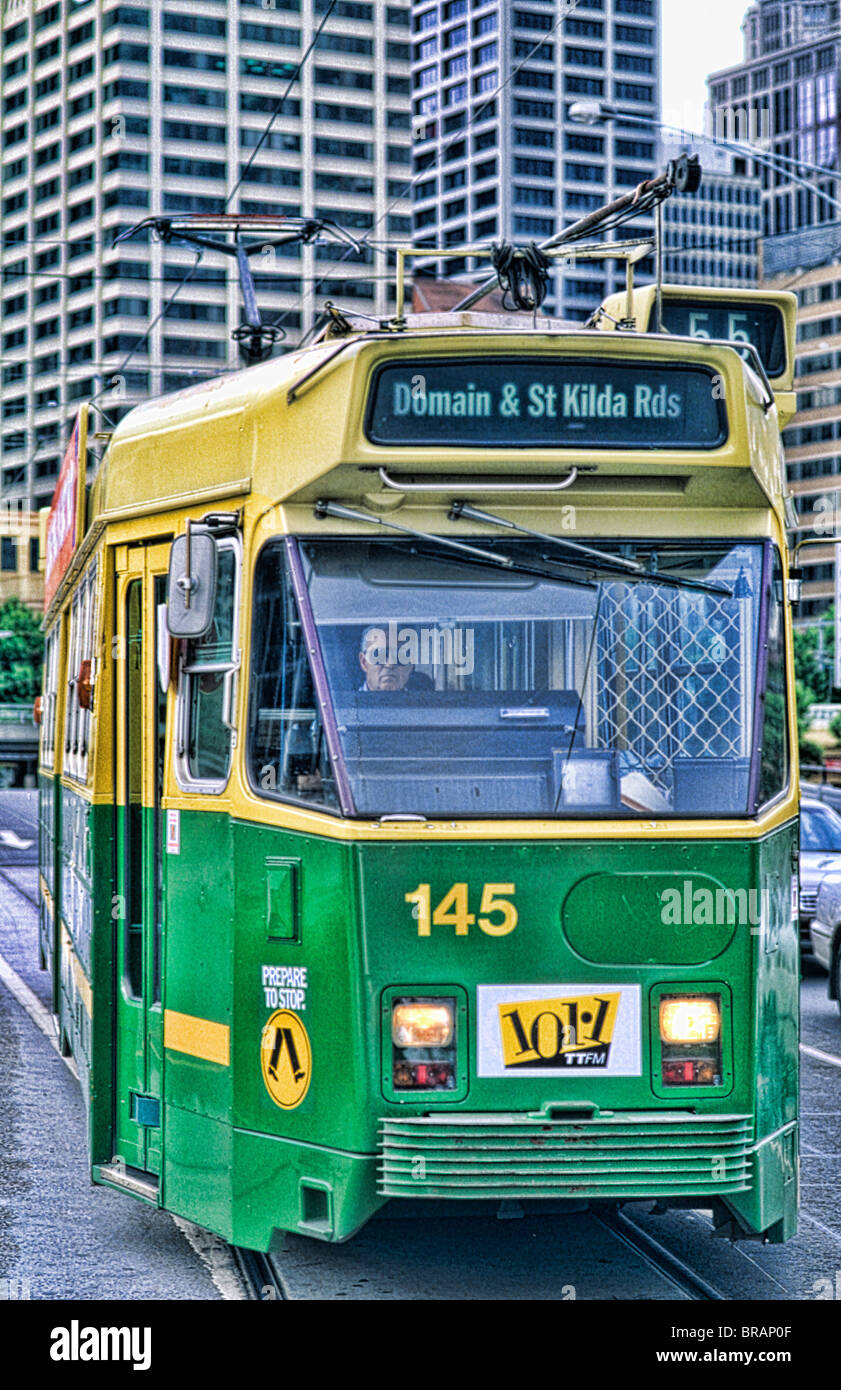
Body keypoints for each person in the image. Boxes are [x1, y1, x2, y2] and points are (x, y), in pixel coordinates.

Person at [358, 626, 432, 693]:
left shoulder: (424, 706)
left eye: (400, 656)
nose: (390, 664)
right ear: (364, 662)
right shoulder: (347, 705)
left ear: (411, 664)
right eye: (379, 655)